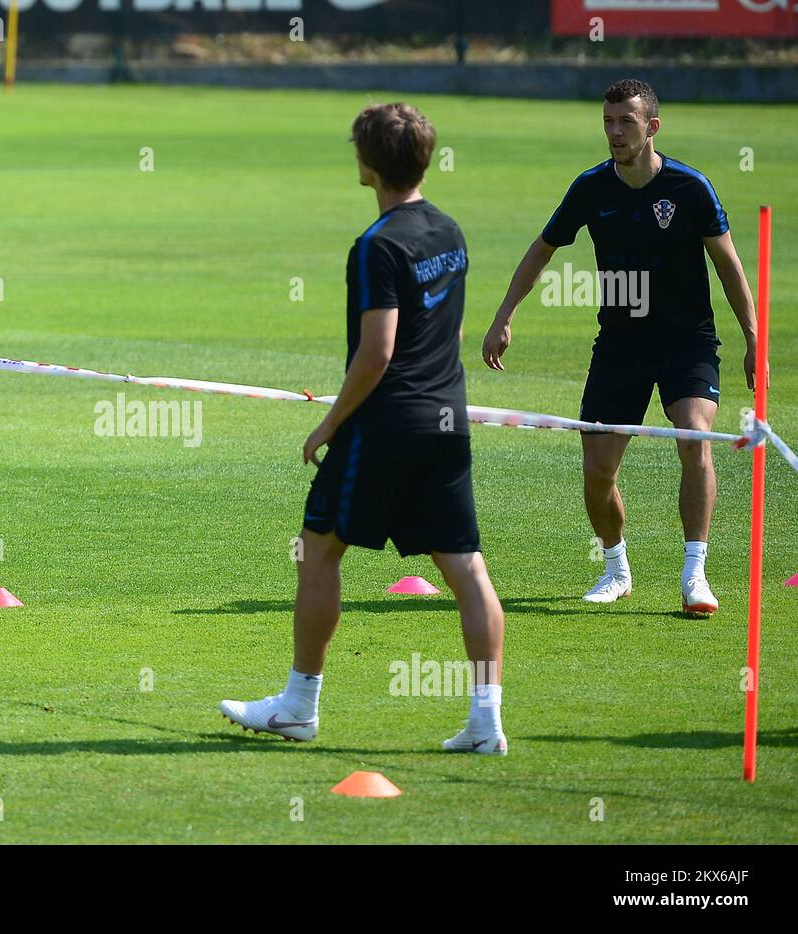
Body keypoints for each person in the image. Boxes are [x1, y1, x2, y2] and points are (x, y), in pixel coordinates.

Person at [221, 103, 507, 755]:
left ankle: (298, 705)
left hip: (386, 424)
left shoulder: (378, 245)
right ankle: (487, 723)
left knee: (319, 547)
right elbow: (449, 330)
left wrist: (328, 423)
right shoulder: (449, 230)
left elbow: (377, 351)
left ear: (368, 164)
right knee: (465, 567)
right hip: (445, 419)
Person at [481, 78, 761, 615]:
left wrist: (753, 339)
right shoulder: (591, 188)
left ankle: (695, 575)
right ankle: (616, 569)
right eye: (608, 122)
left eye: (625, 122)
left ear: (651, 127)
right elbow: (541, 250)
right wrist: (504, 316)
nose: (614, 132)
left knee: (695, 440)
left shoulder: (690, 188)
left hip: (688, 342)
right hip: (620, 346)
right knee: (598, 469)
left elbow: (728, 265)